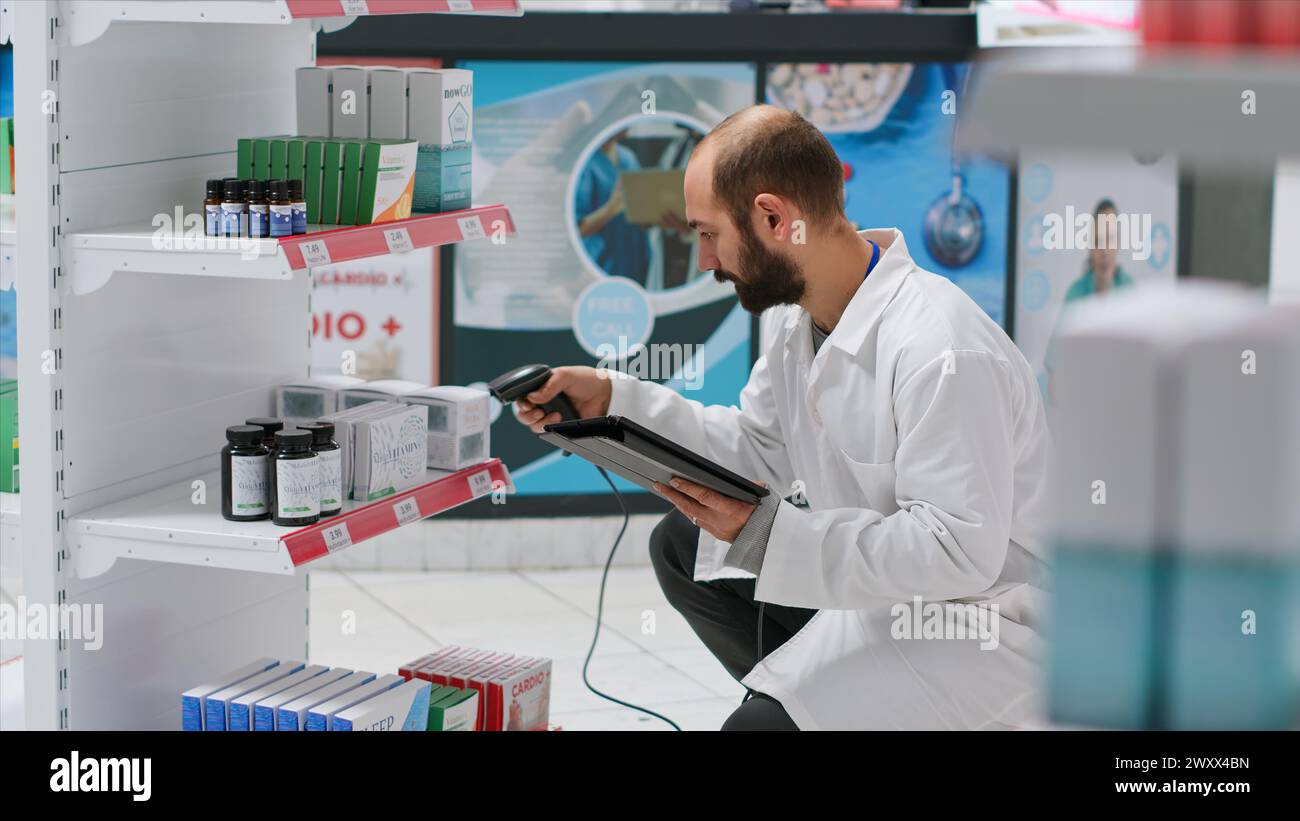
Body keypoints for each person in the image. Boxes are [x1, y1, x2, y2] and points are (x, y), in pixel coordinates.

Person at [515, 105, 1050, 731]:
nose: (706, 261)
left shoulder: (940, 346)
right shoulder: (797, 319)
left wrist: (775, 536)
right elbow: (755, 448)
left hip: (985, 623)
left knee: (759, 729)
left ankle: (801, 711)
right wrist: (612, 402)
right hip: (886, 590)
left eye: (709, 234)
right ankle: (814, 700)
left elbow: (956, 552)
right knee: (683, 548)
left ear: (773, 218)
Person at [575, 131, 652, 286]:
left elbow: (639, 212)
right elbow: (577, 229)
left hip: (636, 259)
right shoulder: (585, 162)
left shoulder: (628, 157)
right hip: (602, 263)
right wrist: (611, 209)